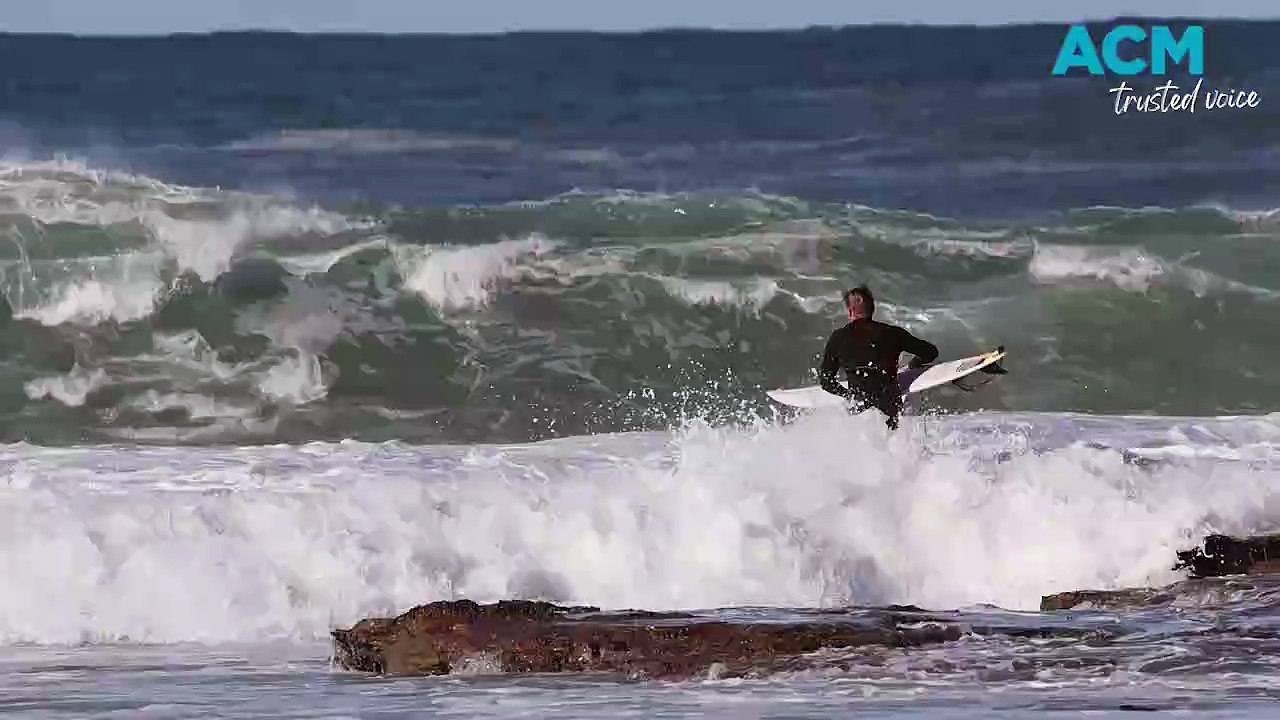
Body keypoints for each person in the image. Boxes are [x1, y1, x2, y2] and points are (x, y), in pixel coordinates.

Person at [817, 284, 938, 430]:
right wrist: (914, 364)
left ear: (850, 311)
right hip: (889, 409)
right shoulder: (893, 334)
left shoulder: (838, 338)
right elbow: (930, 352)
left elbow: (826, 380)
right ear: (872, 309)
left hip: (860, 412)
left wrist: (849, 395)